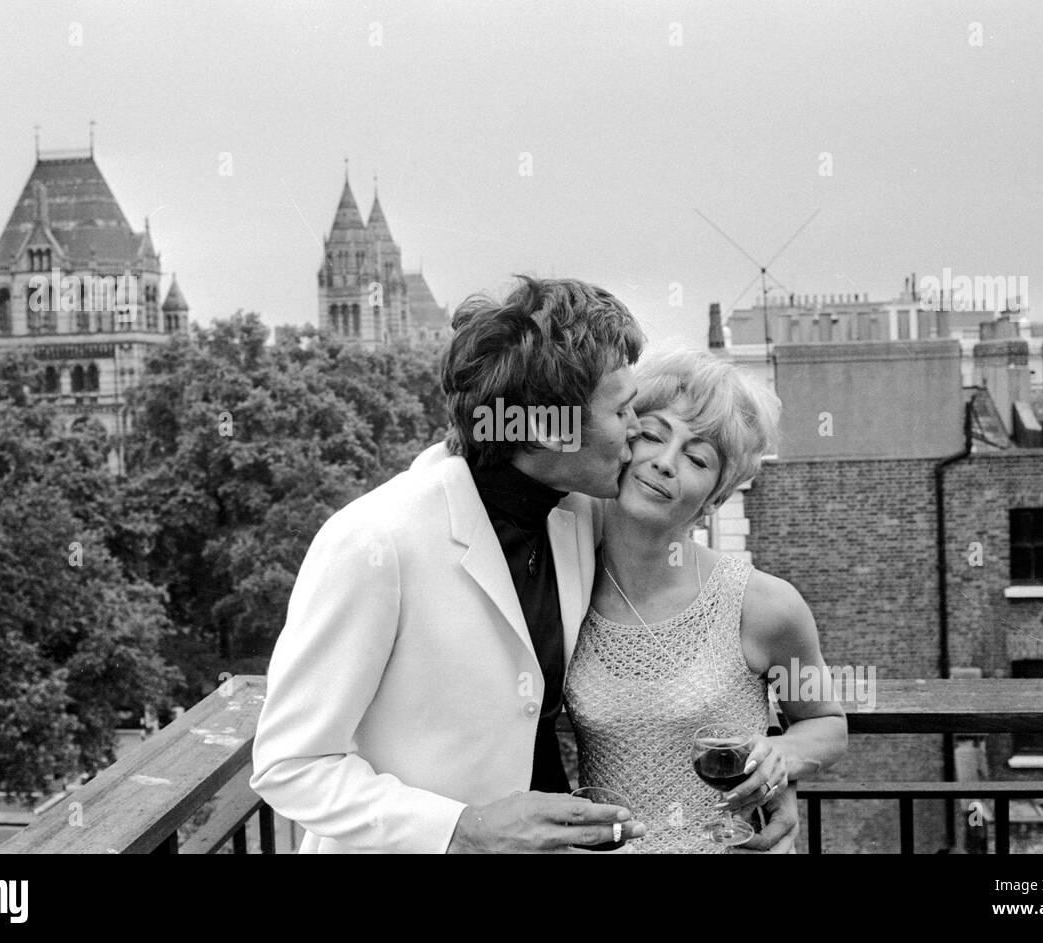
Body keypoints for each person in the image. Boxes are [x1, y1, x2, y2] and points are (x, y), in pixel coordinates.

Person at [250, 277, 800, 853]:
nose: (637, 431)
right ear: (546, 428)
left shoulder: (579, 513)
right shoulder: (374, 541)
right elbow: (289, 763)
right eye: (622, 411)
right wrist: (464, 829)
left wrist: (767, 776)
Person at [565, 347, 848, 853]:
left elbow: (827, 724)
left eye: (697, 458)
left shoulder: (762, 604)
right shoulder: (564, 580)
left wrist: (781, 759)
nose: (665, 463)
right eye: (652, 435)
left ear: (716, 496)